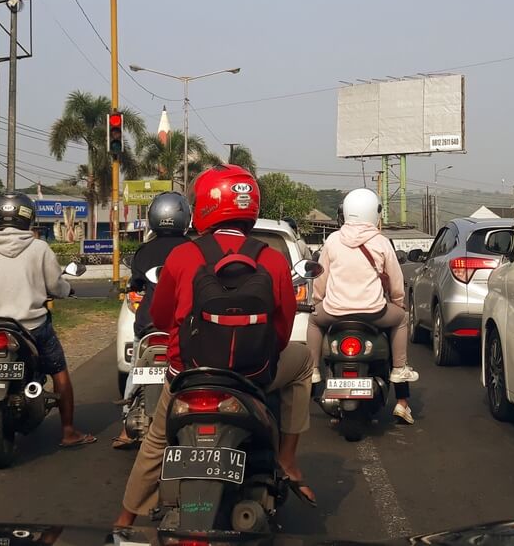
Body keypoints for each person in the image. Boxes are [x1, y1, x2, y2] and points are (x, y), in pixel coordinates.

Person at [114, 165, 315, 527]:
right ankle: (288, 460)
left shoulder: (182, 256)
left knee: (157, 439)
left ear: (203, 207)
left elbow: (160, 319)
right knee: (302, 361)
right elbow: (282, 333)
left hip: (188, 376)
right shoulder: (272, 259)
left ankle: (125, 519)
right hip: (251, 378)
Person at [0, 191, 96, 448]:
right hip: (33, 326)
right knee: (59, 372)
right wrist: (67, 290)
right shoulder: (39, 248)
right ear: (27, 217)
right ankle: (68, 431)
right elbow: (55, 285)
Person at [308, 188, 419, 424]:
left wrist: (318, 301)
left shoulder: (333, 240)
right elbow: (396, 282)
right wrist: (398, 303)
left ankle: (313, 371)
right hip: (374, 313)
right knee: (400, 319)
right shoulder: (381, 241)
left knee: (313, 320)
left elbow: (320, 279)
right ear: (373, 213)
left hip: (334, 313)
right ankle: (399, 371)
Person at [112, 192, 192, 450]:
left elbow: (135, 283)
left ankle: (126, 428)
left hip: (148, 324)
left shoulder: (144, 250)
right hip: (183, 325)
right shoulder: (193, 249)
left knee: (137, 371)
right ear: (184, 218)